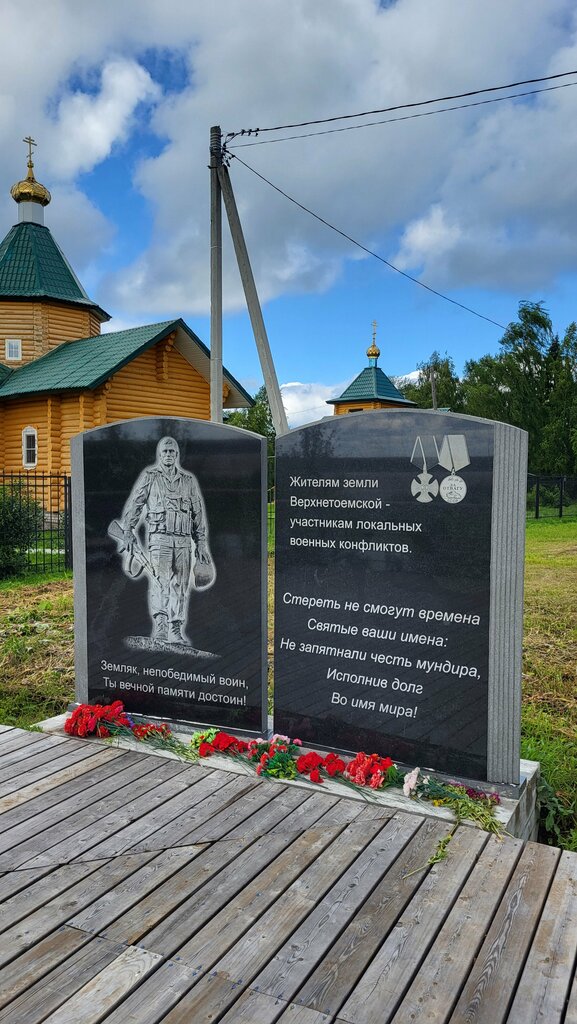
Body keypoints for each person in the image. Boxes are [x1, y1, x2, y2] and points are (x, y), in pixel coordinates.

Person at [118, 436, 214, 644]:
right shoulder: (150, 476)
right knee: (160, 583)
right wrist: (128, 530)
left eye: (172, 452)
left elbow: (197, 513)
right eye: (165, 452)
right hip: (159, 539)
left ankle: (176, 629)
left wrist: (201, 543)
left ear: (177, 454)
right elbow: (136, 504)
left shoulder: (188, 481)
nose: (168, 455)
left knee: (180, 585)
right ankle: (160, 627)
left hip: (182, 541)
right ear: (159, 454)